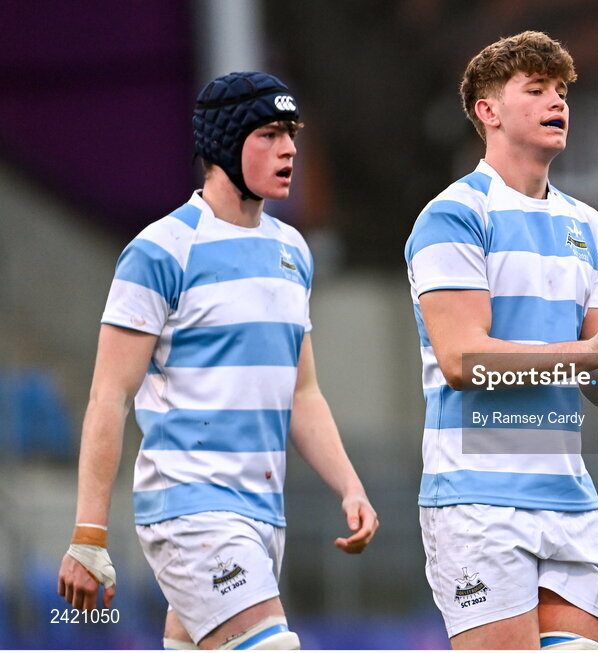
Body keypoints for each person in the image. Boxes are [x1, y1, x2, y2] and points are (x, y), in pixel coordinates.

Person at [56, 71, 378, 650]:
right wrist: (88, 534)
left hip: (263, 514)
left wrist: (350, 487)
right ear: (226, 144)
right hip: (191, 508)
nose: (289, 149)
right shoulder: (160, 251)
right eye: (270, 134)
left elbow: (302, 393)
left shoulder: (293, 250)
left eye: (292, 133)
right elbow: (109, 396)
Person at [404, 32, 598, 650]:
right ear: (488, 111)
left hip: (569, 498)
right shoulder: (454, 216)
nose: (557, 102)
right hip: (479, 501)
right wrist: (595, 350)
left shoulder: (590, 227)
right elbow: (463, 360)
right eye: (536, 89)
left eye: (561, 92)